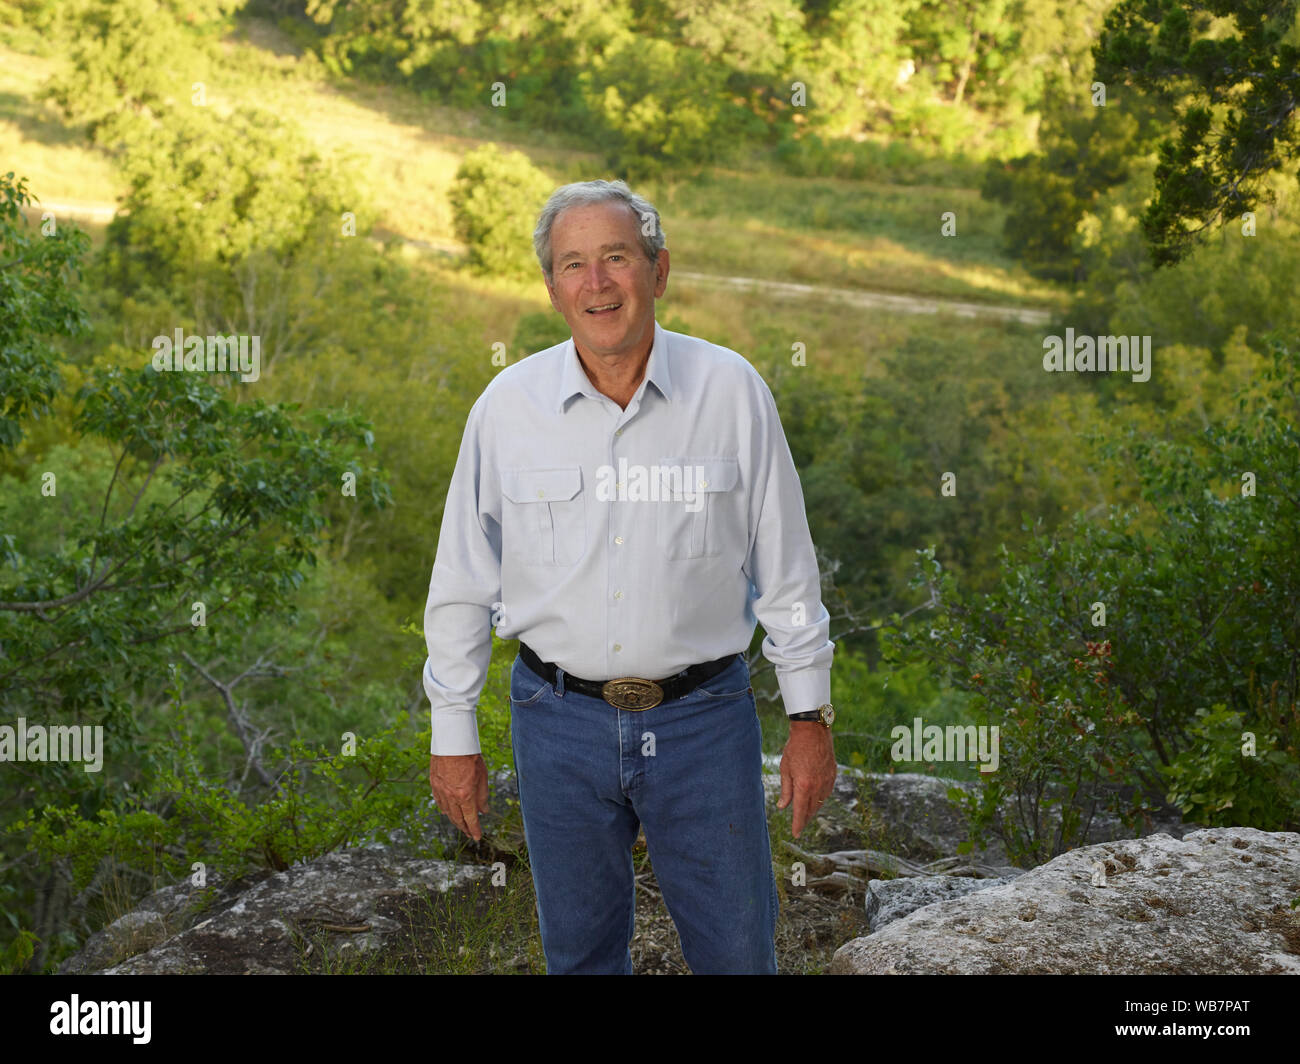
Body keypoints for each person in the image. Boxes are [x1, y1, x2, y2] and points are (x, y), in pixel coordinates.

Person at [422, 179, 836, 974]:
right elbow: (462, 583)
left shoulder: (733, 393)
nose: (597, 283)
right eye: (573, 265)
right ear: (551, 287)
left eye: (616, 257)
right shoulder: (508, 408)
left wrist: (809, 716)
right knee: (578, 959)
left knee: (740, 956)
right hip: (556, 722)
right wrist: (454, 734)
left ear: (659, 269)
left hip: (705, 723)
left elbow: (787, 571)